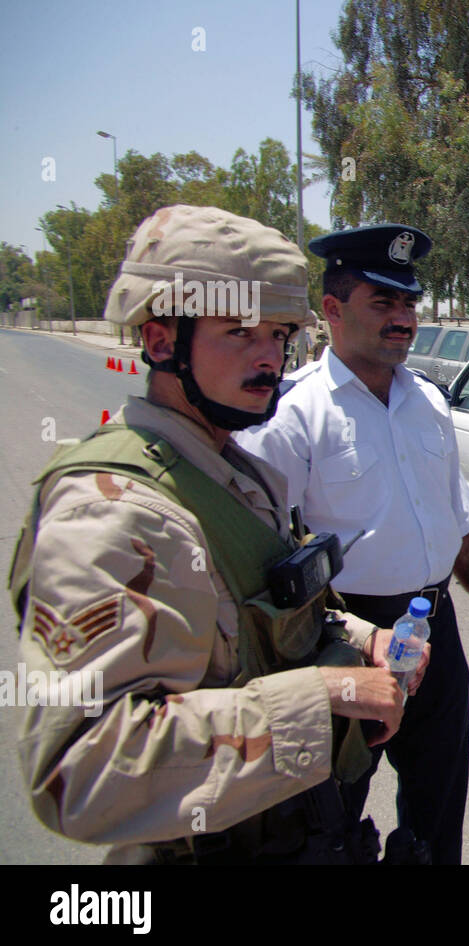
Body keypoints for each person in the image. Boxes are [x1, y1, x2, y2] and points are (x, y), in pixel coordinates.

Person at [9, 204, 417, 864]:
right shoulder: (111, 511)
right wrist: (325, 696)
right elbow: (80, 770)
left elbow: (261, 614)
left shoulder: (236, 472)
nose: (269, 358)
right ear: (162, 339)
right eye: (238, 332)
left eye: (280, 334)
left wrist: (361, 638)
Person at [237, 223, 469, 865]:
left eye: (409, 303)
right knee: (331, 815)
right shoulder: (293, 413)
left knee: (439, 806)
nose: (403, 319)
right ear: (332, 310)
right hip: (343, 638)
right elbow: (259, 554)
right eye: (382, 303)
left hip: (432, 630)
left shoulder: (430, 403)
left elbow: (456, 516)